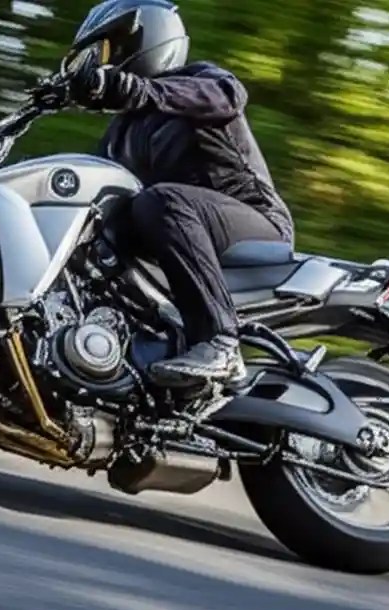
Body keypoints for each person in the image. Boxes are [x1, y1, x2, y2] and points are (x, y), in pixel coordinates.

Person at [63, 0, 294, 385]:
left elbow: (225, 97)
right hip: (182, 228)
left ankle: (220, 342)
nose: (102, 65)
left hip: (257, 223)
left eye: (105, 52)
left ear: (144, 41)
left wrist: (135, 89)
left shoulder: (203, 81)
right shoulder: (122, 133)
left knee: (160, 201)